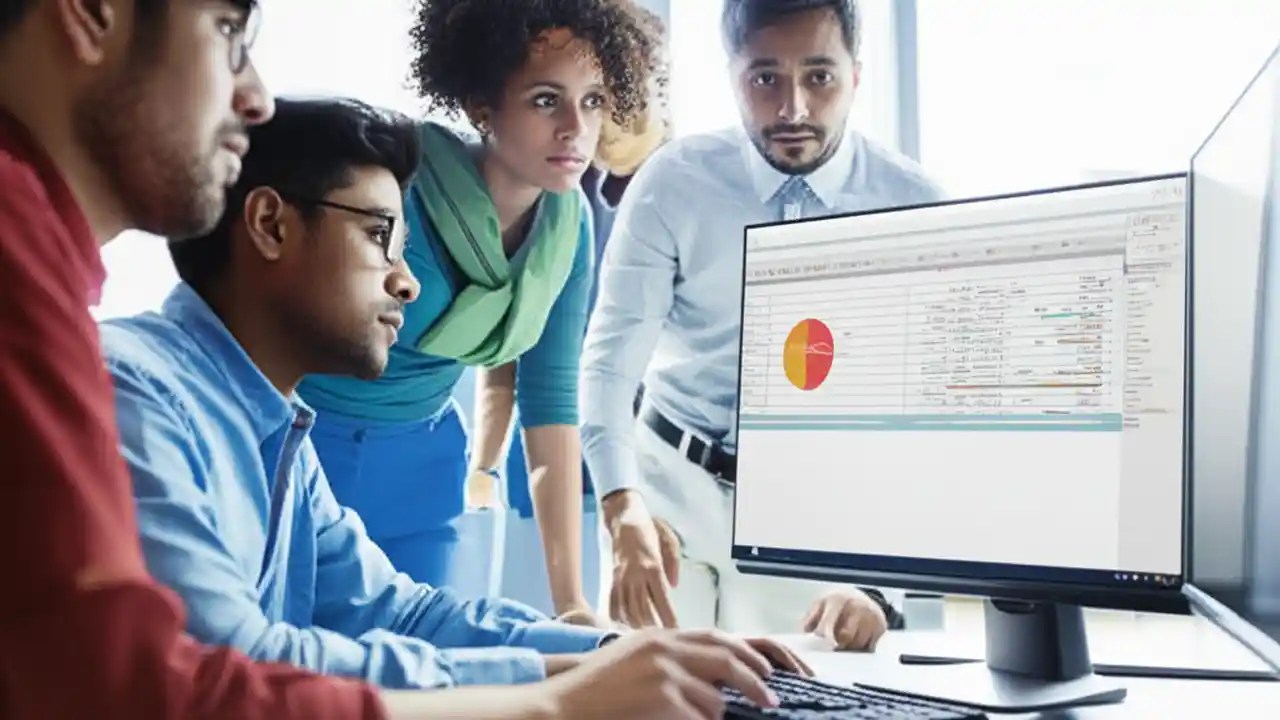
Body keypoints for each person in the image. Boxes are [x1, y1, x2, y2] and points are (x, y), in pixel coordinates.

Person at [0, 0, 812, 717]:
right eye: (225, 31)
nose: (404, 276)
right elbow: (214, 667)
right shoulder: (140, 389)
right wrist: (551, 701)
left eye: (593, 103)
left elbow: (403, 611)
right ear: (272, 227)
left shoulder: (273, 421)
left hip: (421, 455)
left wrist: (603, 649)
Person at [581, 0, 944, 647]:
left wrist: (880, 588)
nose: (793, 108)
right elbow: (609, 364)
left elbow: (926, 416)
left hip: (820, 506)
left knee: (803, 696)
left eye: (820, 77)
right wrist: (622, 505)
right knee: (650, 688)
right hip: (671, 487)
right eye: (765, 78)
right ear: (733, 75)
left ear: (855, 76)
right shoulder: (673, 182)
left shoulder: (914, 204)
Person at [297, 0, 661, 629]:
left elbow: (549, 405)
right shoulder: (395, 183)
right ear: (481, 106)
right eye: (547, 100)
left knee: (416, 671)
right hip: (308, 447)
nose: (576, 127)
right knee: (290, 673)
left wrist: (570, 602)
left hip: (425, 468)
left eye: (595, 100)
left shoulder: (567, 225)